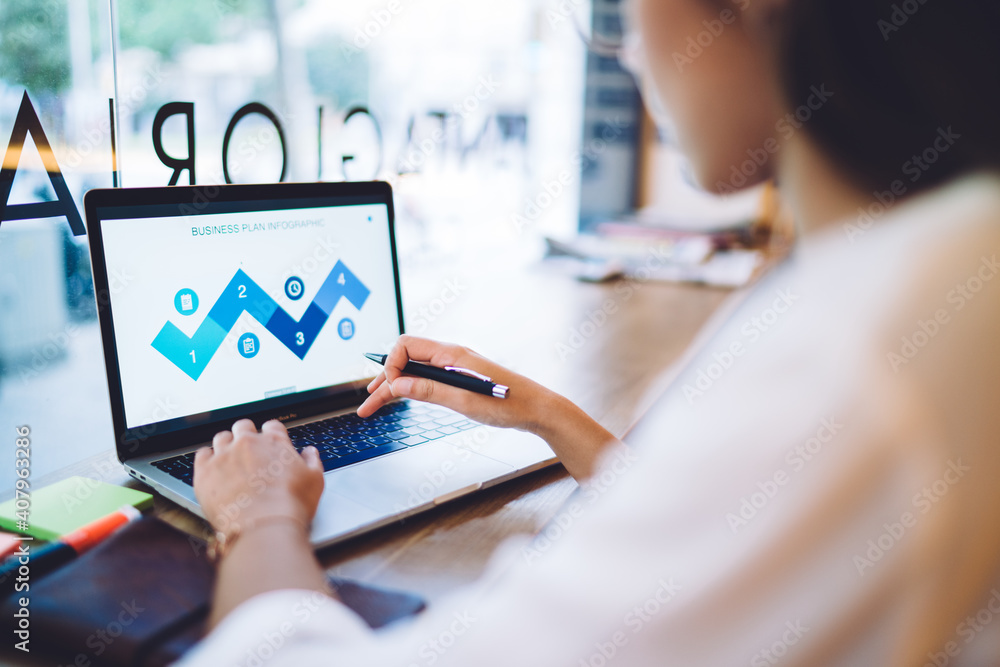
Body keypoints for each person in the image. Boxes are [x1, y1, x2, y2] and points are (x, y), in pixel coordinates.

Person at [180, 0, 1000, 664]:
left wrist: (258, 516)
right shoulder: (952, 256)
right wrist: (546, 414)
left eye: (619, 12)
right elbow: (731, 537)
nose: (627, 54)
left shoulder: (849, 350)